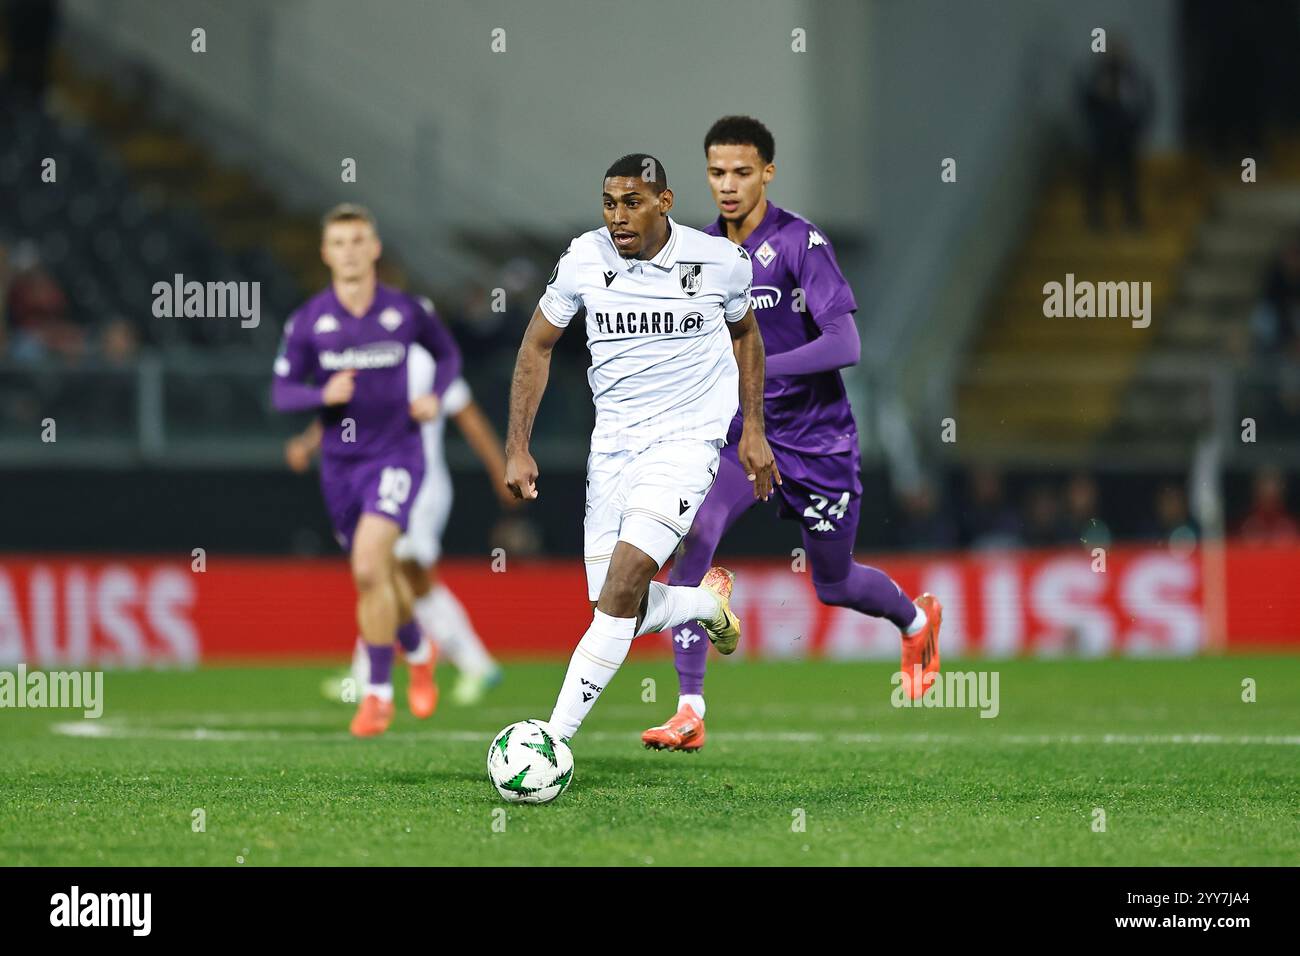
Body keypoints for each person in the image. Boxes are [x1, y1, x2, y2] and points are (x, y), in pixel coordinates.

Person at [641, 117, 942, 752]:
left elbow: (845, 342)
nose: (728, 185)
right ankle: (689, 708)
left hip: (817, 443)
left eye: (742, 172)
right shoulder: (693, 250)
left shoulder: (800, 243)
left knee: (833, 584)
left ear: (767, 173)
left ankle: (916, 621)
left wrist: (756, 366)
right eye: (717, 172)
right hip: (737, 437)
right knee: (695, 536)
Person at [503, 153, 777, 744]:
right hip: (613, 449)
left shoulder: (721, 262)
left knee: (625, 582)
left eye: (632, 203)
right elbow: (536, 347)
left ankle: (551, 740)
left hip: (685, 444)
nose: (618, 217)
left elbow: (747, 334)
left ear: (665, 202)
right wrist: (517, 447)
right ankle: (705, 606)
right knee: (612, 605)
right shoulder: (584, 258)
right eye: (609, 203)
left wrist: (752, 428)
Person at [272, 203, 461, 737]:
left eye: (359, 240)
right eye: (339, 242)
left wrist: (434, 395)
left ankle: (378, 694)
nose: (350, 251)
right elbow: (282, 390)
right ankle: (419, 648)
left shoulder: (405, 311)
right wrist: (320, 393)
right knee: (380, 574)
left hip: (396, 456)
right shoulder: (310, 321)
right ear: (326, 253)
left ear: (375, 247)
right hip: (339, 467)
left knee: (366, 566)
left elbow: (447, 357)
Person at [285, 321, 511, 706]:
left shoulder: (430, 364)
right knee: (399, 577)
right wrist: (308, 443)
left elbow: (470, 419)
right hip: (381, 484)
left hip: (421, 489)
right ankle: (475, 665)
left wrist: (500, 468)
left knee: (395, 574)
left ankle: (374, 673)